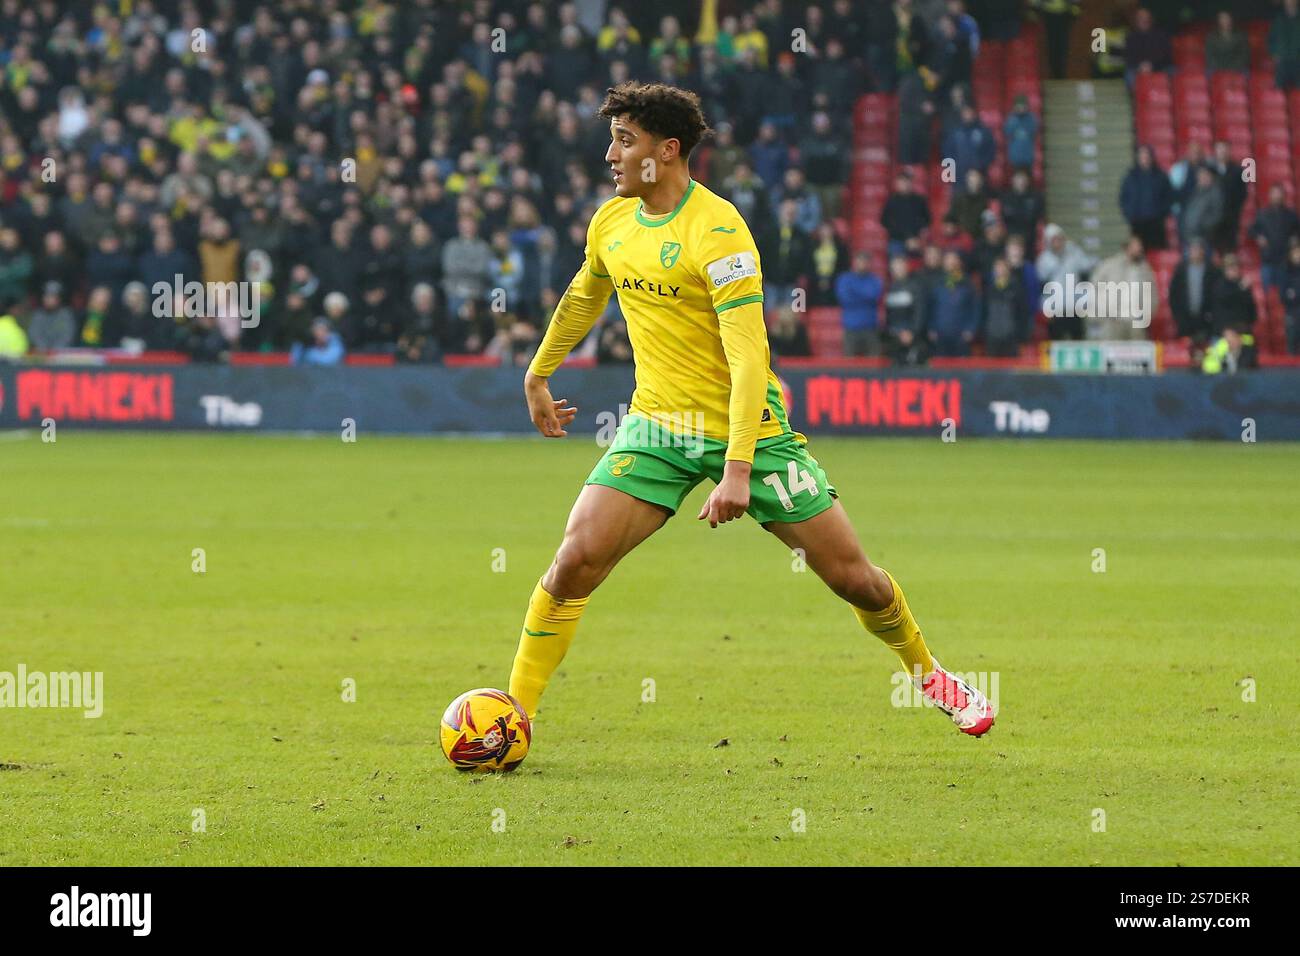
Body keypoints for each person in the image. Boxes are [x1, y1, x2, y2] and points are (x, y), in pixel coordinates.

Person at [512, 81, 994, 741]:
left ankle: (929, 673)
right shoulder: (611, 223)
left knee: (856, 581)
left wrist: (737, 469)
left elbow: (748, 361)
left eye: (625, 140)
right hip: (658, 426)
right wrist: (540, 371)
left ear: (668, 148)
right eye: (613, 139)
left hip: (752, 433)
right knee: (573, 562)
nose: (611, 155)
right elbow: (583, 295)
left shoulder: (720, 231)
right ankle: (515, 717)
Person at [1088, 235, 1157, 340]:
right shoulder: (1109, 266)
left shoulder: (1145, 270)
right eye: (1136, 246)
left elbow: (1153, 294)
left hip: (1136, 323)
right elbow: (1094, 289)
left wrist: (1147, 315)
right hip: (1114, 322)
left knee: (1137, 354)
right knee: (1111, 353)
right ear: (1127, 248)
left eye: (1140, 246)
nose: (1140, 249)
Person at [1168, 239, 1221, 348]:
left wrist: (1212, 315)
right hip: (1185, 320)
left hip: (1206, 320)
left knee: (1204, 350)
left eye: (1198, 249)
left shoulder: (1212, 270)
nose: (1195, 252)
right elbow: (1173, 295)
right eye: (1193, 249)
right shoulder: (1180, 270)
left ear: (1203, 251)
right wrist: (1178, 317)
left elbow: (1217, 296)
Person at [1119, 145, 1173, 251]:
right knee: (1138, 254)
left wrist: (1160, 214)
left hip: (1156, 225)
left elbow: (1169, 197)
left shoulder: (1161, 176)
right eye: (1142, 156)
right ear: (1137, 158)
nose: (1144, 158)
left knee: (1157, 252)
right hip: (1137, 223)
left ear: (1151, 157)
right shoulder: (1130, 177)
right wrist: (1130, 214)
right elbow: (1123, 198)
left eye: (1146, 155)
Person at [927, 249, 980, 356]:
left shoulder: (968, 283)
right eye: (948, 259)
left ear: (959, 262)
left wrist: (971, 329)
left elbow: (975, 308)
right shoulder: (936, 282)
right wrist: (931, 327)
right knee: (940, 369)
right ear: (943, 262)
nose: (951, 262)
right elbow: (930, 307)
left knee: (962, 369)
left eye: (954, 259)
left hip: (961, 335)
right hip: (940, 334)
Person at [1250, 185, 1300, 292]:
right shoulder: (1262, 214)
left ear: (1283, 196)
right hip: (1267, 260)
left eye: (1279, 193)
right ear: (1270, 196)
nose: (1276, 196)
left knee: (1284, 293)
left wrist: (1295, 238)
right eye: (1274, 193)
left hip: (1285, 262)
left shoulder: (1291, 215)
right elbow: (1252, 230)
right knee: (1267, 294)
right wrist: (1258, 237)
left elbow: (1297, 230)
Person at [835, 250, 885, 356]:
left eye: (865, 261)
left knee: (874, 366)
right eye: (860, 260)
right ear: (854, 262)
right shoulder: (844, 279)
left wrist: (854, 291)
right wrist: (865, 294)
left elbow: (874, 296)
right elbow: (845, 299)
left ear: (869, 263)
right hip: (850, 329)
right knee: (849, 367)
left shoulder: (875, 280)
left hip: (871, 329)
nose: (862, 263)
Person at [883, 254, 928, 366]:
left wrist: (912, 331)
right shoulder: (890, 287)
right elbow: (889, 314)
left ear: (906, 267)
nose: (898, 269)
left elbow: (920, 311)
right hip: (894, 336)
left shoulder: (915, 286)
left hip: (911, 336)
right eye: (895, 267)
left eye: (900, 266)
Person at [1205, 11, 1250, 76]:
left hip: (1237, 66)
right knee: (1207, 74)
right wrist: (1220, 68)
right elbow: (1210, 56)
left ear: (1231, 19)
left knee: (1246, 74)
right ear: (1218, 21)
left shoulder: (1241, 35)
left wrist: (1233, 67)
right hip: (1217, 67)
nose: (1225, 21)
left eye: (1227, 18)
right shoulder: (1211, 37)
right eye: (1222, 18)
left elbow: (1244, 54)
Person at [1279, 240, 1300, 354]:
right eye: (1295, 253)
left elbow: (1291, 294)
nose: (1298, 255)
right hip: (1292, 313)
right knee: (1292, 345)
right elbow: (1283, 296)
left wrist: (1294, 293)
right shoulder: (1285, 272)